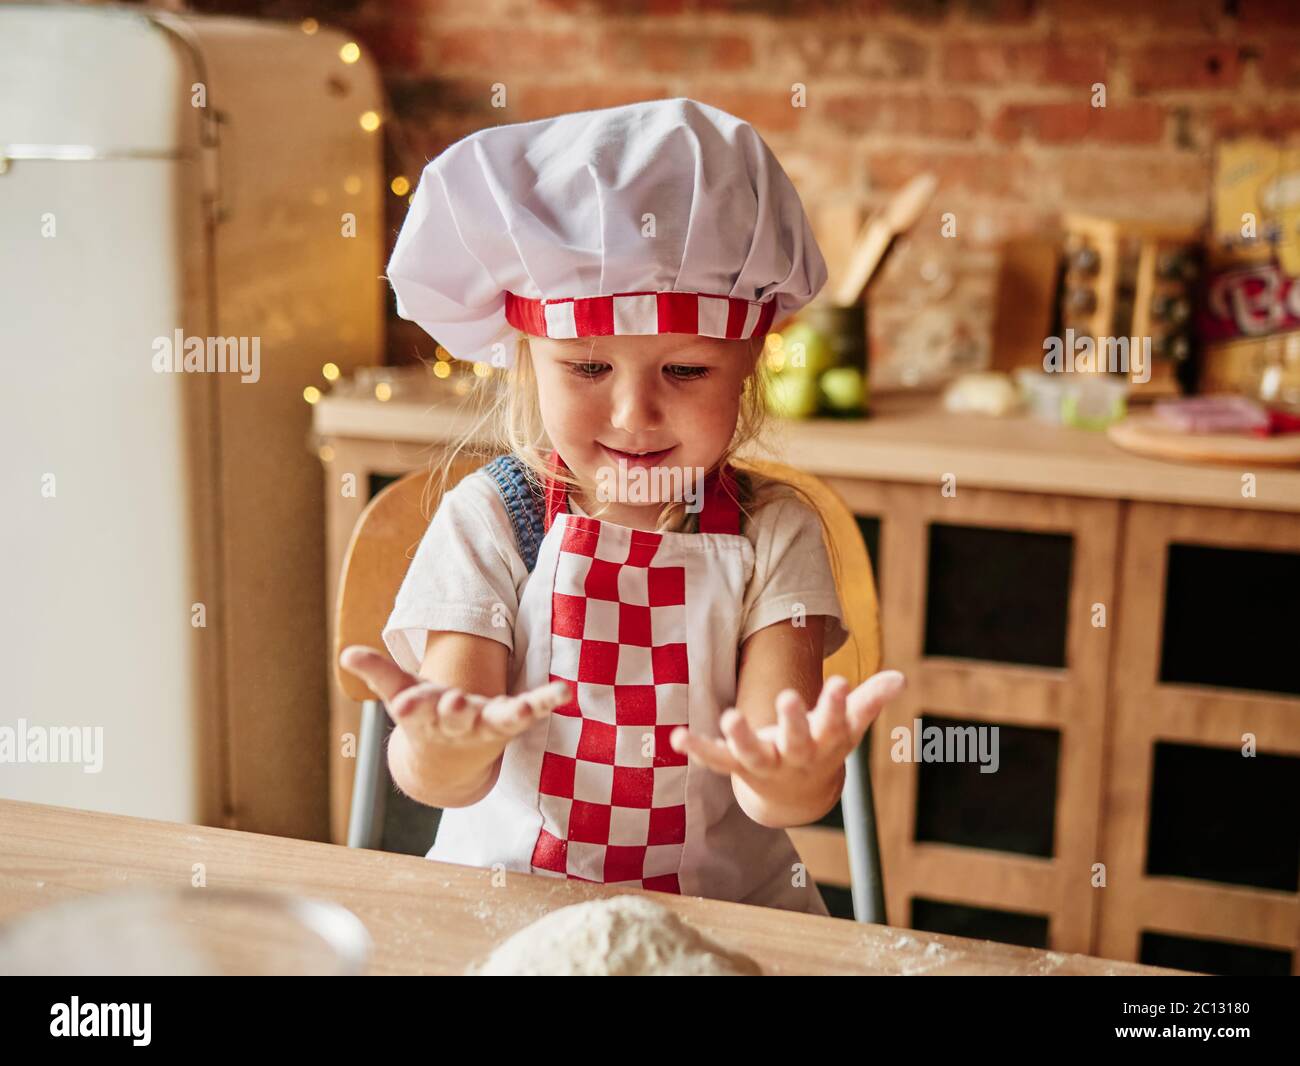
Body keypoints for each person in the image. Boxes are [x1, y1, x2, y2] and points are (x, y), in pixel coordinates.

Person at [341, 98, 905, 915]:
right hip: (512, 918)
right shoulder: (491, 521)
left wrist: (795, 771)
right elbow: (449, 782)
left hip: (716, 926)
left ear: (749, 359)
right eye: (588, 369)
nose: (635, 415)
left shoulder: (772, 533)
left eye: (685, 373)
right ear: (528, 360)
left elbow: (771, 797)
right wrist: (436, 746)